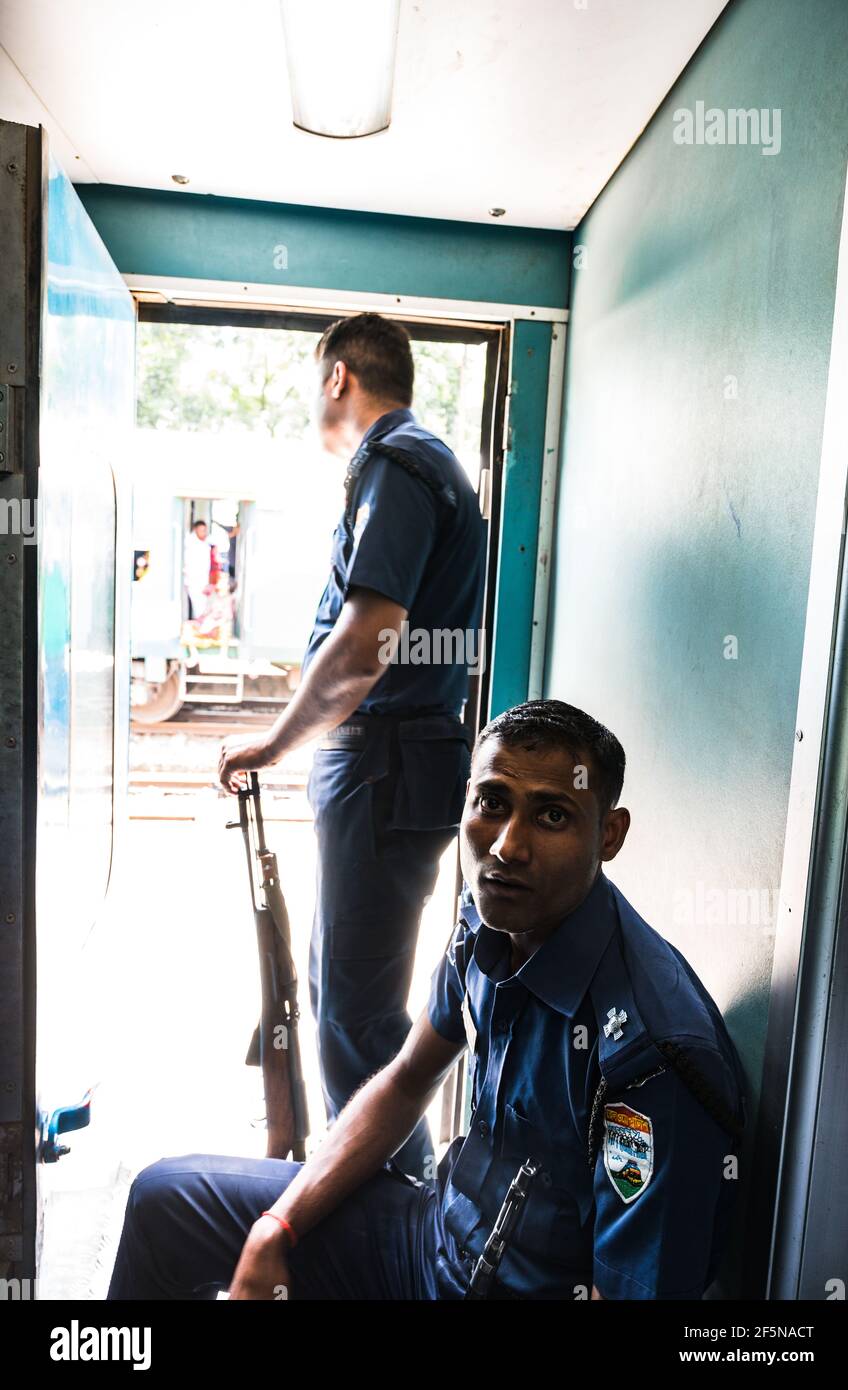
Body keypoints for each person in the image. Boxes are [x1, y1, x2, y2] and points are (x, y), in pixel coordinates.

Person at [109, 699, 747, 1301]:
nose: (506, 847)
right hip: (430, 1238)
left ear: (609, 835)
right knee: (165, 1200)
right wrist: (280, 1225)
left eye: (552, 815)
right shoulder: (488, 922)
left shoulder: (652, 1055)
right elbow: (407, 1079)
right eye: (492, 803)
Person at [216, 312, 486, 1181]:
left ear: (338, 377)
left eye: (314, 384)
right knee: (346, 1001)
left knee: (354, 1019)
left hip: (383, 764)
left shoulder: (397, 462)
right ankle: (385, 1203)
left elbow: (370, 634)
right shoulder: (419, 462)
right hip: (392, 764)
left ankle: (394, 1212)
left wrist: (275, 740)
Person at [183, 518, 214, 620]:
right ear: (195, 530)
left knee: (202, 607)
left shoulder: (204, 542)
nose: (204, 533)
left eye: (205, 530)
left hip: (202, 580)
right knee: (199, 607)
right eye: (201, 530)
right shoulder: (190, 543)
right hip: (194, 580)